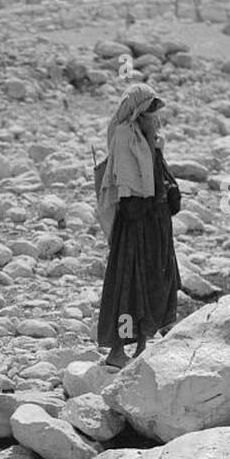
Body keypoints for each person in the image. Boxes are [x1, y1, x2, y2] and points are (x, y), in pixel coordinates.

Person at [95, 83, 182, 369]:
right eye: (151, 114)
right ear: (138, 114)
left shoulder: (151, 139)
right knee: (128, 285)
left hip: (155, 224)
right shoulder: (125, 138)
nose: (156, 120)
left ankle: (143, 343)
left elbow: (157, 175)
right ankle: (117, 350)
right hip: (134, 224)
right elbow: (130, 187)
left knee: (158, 278)